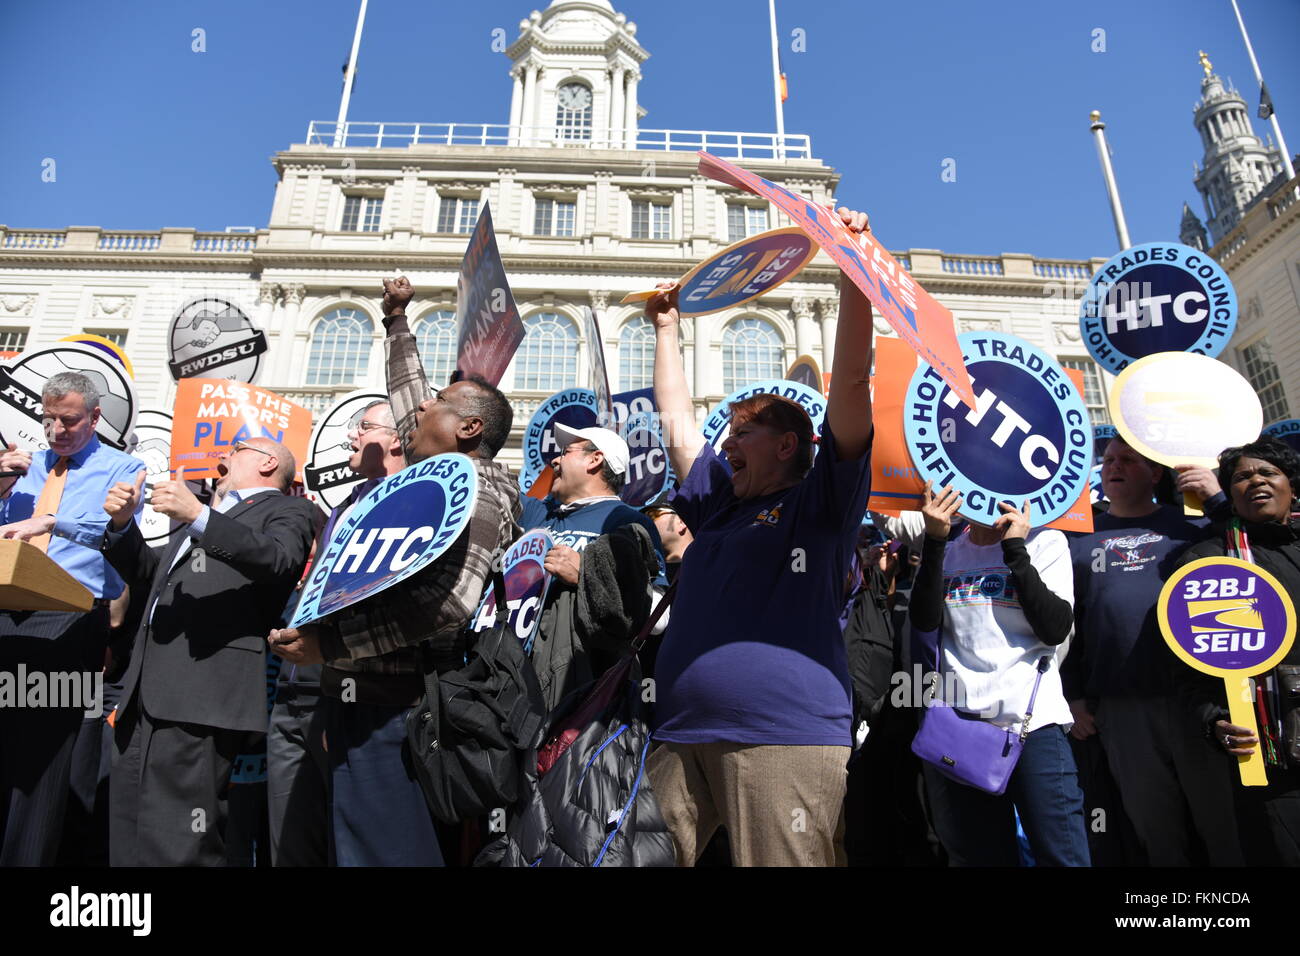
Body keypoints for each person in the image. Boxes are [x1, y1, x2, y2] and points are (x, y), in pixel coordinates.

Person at [643, 207, 875, 867]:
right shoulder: (719, 507)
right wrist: (666, 327)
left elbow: (852, 384)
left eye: (743, 432)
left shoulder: (819, 508)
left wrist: (854, 270)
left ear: (786, 445)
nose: (727, 443)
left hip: (782, 739)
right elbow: (678, 424)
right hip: (681, 734)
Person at [270, 277, 520, 866]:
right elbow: (409, 395)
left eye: (439, 403)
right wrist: (396, 320)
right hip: (354, 697)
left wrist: (329, 642)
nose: (422, 405)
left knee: (384, 853)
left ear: (469, 430)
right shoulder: (430, 473)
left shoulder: (479, 488)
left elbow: (452, 603)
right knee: (352, 846)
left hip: (398, 709)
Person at [101, 437, 320, 866]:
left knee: (181, 838)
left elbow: (277, 558)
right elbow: (148, 570)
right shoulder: (211, 516)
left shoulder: (287, 509)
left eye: (235, 449)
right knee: (129, 831)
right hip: (145, 694)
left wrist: (199, 515)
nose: (221, 457)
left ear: (268, 461)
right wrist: (123, 527)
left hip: (200, 696)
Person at [1064, 435, 1242, 866]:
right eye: (1107, 460)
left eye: (1127, 459)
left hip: (1199, 703)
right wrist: (1072, 695)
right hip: (1121, 708)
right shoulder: (1077, 538)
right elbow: (1068, 625)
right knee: (1155, 829)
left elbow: (1252, 561)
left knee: (1223, 826)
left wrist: (1218, 500)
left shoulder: (1193, 527)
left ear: (1155, 473)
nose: (1113, 467)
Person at [0, 371, 145, 866]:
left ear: (95, 417)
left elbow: (116, 535)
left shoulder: (123, 467)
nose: (57, 430)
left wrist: (54, 521)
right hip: (6, 615)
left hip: (70, 622)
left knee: (47, 757)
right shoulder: (24, 466)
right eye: (48, 419)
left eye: (69, 420)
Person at [910, 483, 1089, 867]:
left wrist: (1015, 550)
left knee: (1061, 854)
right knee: (978, 857)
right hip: (960, 727)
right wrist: (935, 543)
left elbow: (1055, 628)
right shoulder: (950, 548)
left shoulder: (1046, 541)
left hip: (1032, 726)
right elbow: (924, 622)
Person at [266, 400, 405, 866]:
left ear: (397, 438)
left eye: (362, 427)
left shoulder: (410, 502)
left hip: (348, 689)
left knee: (344, 836)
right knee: (290, 833)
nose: (350, 436)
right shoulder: (345, 503)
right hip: (295, 684)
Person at [1175, 436, 1300, 865]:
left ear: (1292, 486)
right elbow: (1189, 672)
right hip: (1272, 757)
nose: (1256, 481)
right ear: (1228, 495)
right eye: (1243, 477)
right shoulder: (1207, 565)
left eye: (1268, 472)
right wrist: (1215, 723)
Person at [517, 423, 664, 712]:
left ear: (595, 459)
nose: (554, 461)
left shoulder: (628, 522)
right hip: (518, 683)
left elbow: (660, 618)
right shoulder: (538, 513)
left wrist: (587, 572)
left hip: (583, 695)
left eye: (566, 452)